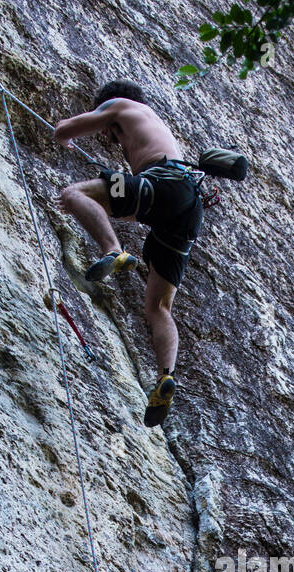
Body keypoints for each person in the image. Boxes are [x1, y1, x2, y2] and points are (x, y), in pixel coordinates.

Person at [55, 81, 203, 427]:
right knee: (158, 306)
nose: (108, 134)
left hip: (162, 183)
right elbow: (132, 199)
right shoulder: (150, 126)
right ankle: (165, 376)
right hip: (186, 206)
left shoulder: (120, 105)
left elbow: (65, 128)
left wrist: (66, 138)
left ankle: (113, 250)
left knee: (75, 193)